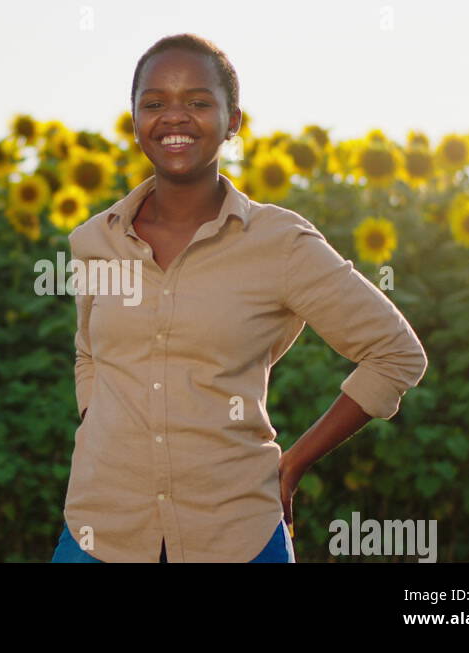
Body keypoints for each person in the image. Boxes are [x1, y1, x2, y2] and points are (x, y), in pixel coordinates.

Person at [50, 33, 427, 563]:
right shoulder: (96, 240)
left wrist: (295, 460)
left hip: (237, 535)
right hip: (99, 531)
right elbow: (90, 351)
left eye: (199, 102)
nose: (174, 118)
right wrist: (97, 422)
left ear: (233, 122)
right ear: (135, 120)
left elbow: (395, 353)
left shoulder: (280, 242)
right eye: (154, 103)